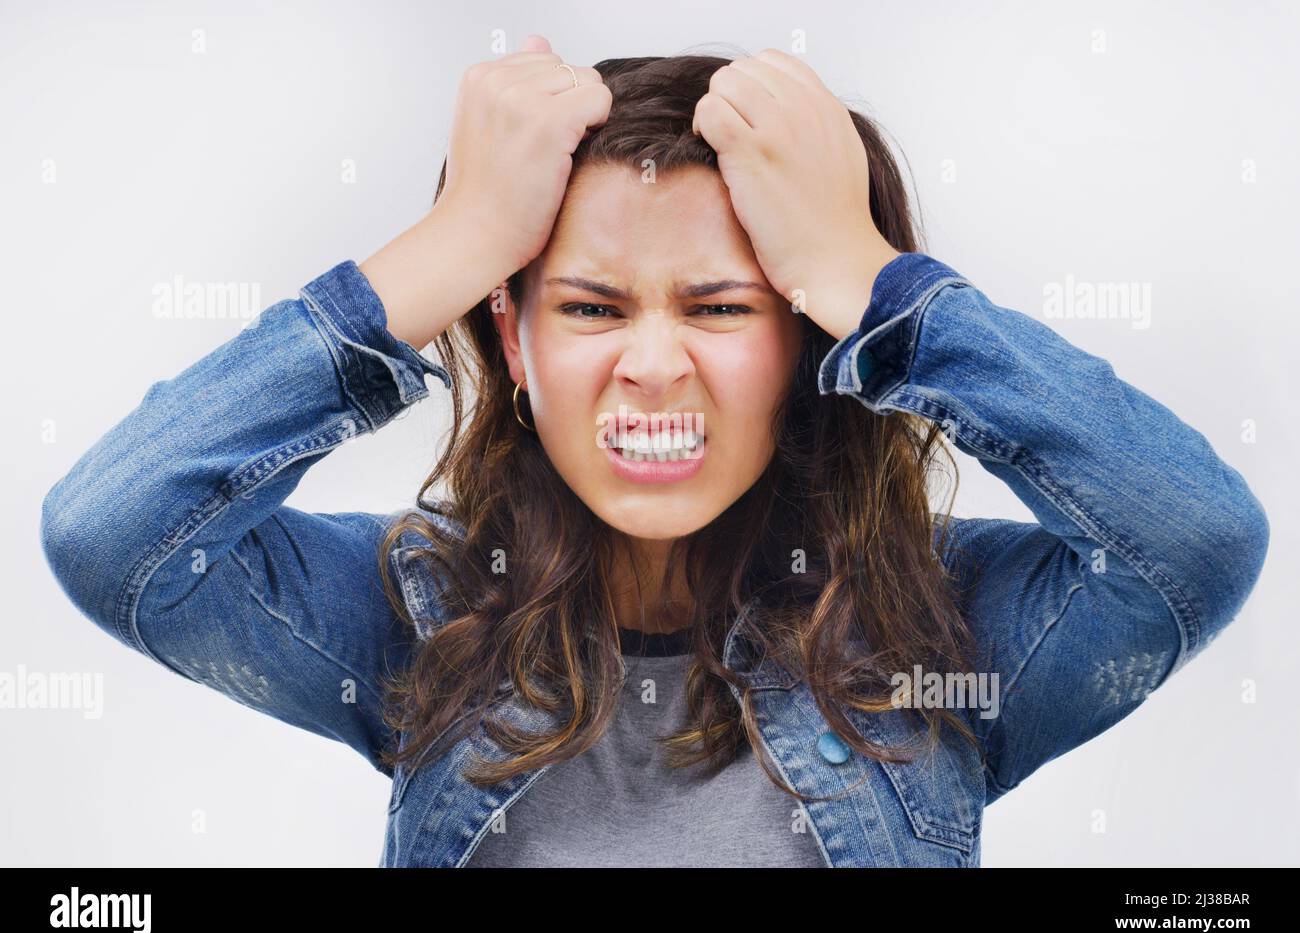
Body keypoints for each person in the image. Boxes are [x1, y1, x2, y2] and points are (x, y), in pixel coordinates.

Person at [40, 36, 1270, 867]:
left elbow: (1193, 542)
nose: (652, 364)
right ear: (513, 345)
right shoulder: (416, 618)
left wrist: (872, 281)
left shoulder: (943, 634)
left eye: (721, 307)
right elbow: (113, 535)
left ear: (810, 346)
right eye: (589, 307)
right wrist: (453, 245)